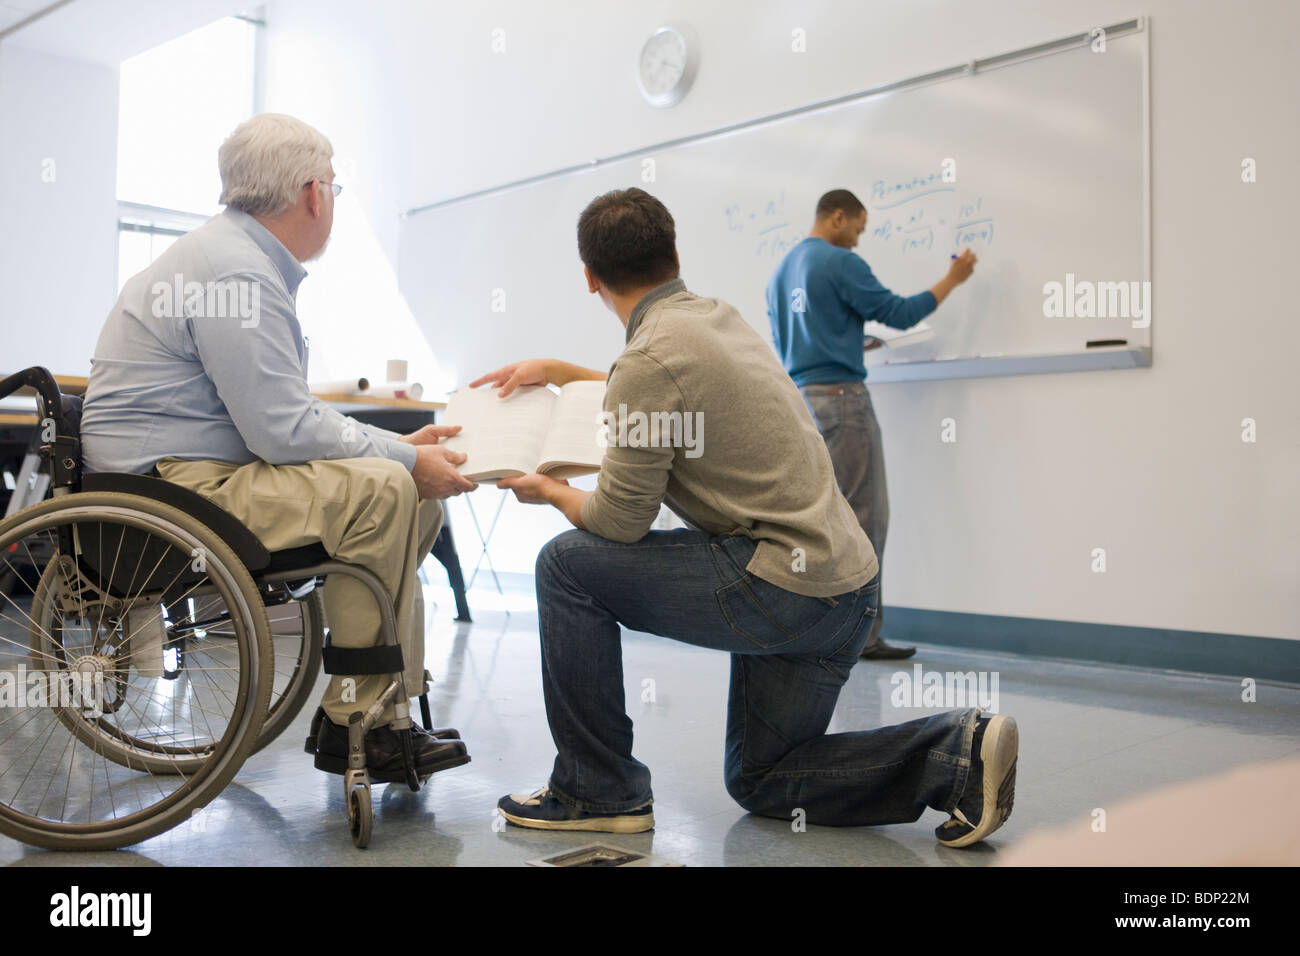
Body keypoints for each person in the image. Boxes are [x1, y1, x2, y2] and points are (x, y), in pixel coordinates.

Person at [473, 187, 1016, 846]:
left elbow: (620, 520)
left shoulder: (648, 359)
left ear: (590, 278)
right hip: (843, 588)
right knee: (762, 779)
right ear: (674, 253)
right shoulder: (714, 318)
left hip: (780, 587)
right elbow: (664, 390)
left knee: (567, 566)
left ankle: (598, 789)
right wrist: (563, 371)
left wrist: (549, 490)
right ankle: (955, 754)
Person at [80, 113, 474, 783]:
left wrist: (400, 448)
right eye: (335, 192)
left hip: (179, 474)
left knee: (410, 500)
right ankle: (358, 719)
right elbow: (282, 430)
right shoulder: (236, 274)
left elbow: (280, 418)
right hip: (168, 490)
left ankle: (388, 707)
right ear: (314, 194)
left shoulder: (230, 258)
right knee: (384, 489)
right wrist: (404, 459)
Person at [766, 189, 977, 660]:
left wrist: (847, 342)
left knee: (821, 522)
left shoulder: (781, 272)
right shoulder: (839, 261)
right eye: (858, 229)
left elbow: (794, 341)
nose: (858, 241)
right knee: (864, 520)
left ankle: (821, 631)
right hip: (844, 402)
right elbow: (900, 313)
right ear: (838, 217)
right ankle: (862, 637)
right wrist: (952, 279)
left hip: (805, 404)